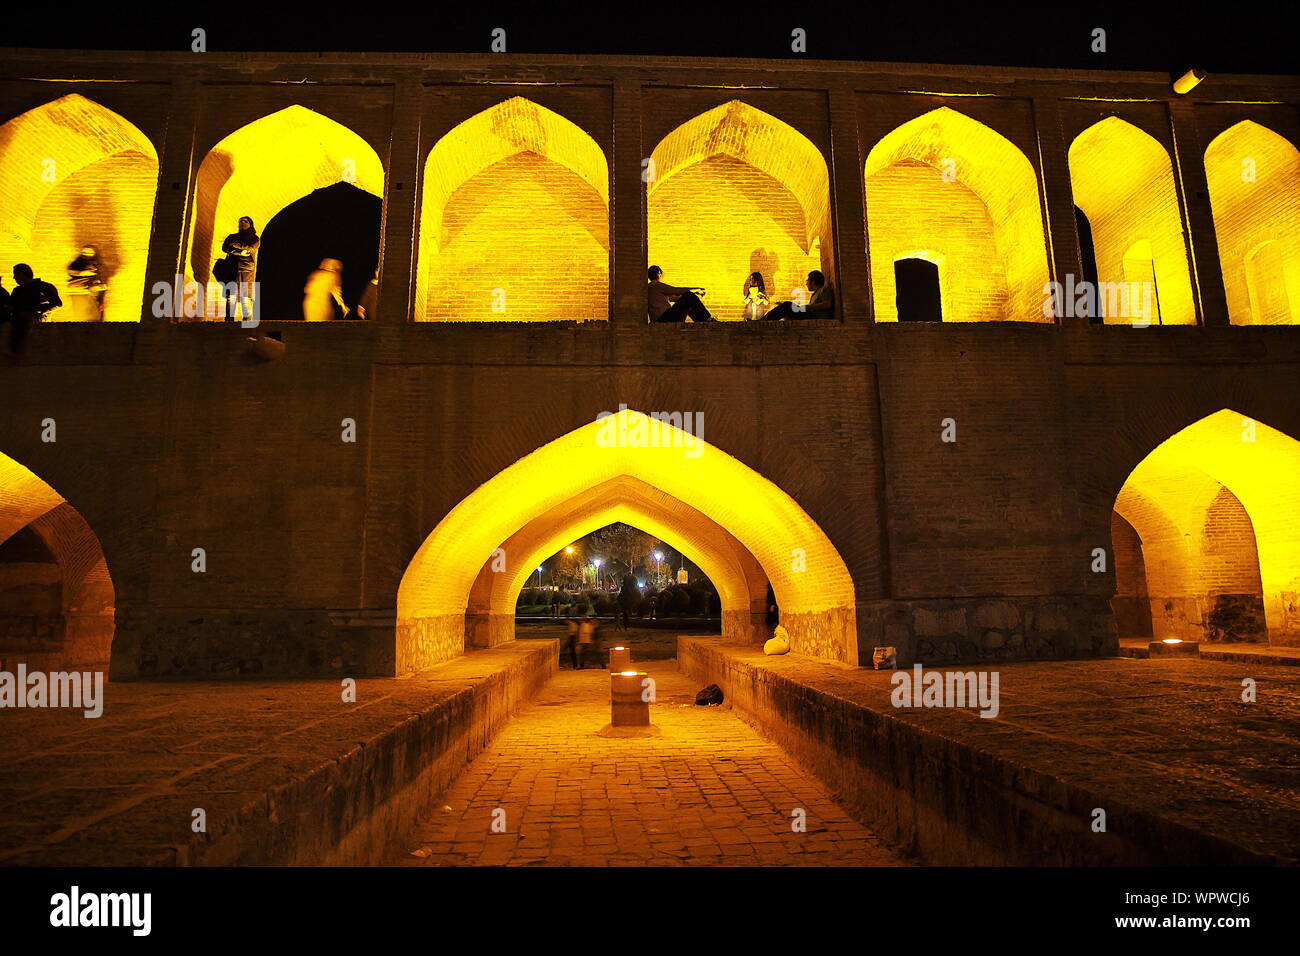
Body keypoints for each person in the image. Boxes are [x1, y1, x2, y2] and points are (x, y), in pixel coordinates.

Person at [5, 264, 62, 355]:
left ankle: (16, 350)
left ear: (23, 274)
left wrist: (38, 310)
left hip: (36, 318)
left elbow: (57, 304)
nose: (14, 277)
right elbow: (11, 306)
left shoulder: (43, 287)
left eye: (16, 274)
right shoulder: (17, 290)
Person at [217, 216, 260, 322]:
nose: (243, 223)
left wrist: (236, 246)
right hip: (232, 268)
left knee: (245, 296)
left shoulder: (254, 238)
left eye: (245, 221)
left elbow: (250, 248)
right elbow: (225, 248)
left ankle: (247, 322)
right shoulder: (232, 237)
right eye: (240, 221)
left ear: (250, 224)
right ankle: (229, 320)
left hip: (246, 270)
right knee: (231, 295)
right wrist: (240, 252)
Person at [646, 266, 716, 323]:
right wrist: (696, 290)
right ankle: (708, 319)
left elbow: (677, 298)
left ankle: (702, 321)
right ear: (659, 273)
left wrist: (694, 297)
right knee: (689, 296)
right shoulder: (655, 285)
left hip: (662, 318)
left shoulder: (651, 289)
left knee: (689, 299)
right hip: (664, 319)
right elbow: (676, 290)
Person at [760, 270, 834, 321]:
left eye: (807, 280)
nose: (806, 283)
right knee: (786, 307)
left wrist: (808, 307)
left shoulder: (824, 289)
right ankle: (765, 319)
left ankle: (764, 320)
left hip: (813, 316)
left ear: (813, 282)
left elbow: (827, 304)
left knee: (787, 305)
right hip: (809, 314)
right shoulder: (815, 294)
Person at [66, 245, 107, 321]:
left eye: (90, 252)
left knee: (95, 314)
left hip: (95, 293)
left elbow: (102, 280)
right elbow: (70, 271)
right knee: (82, 315)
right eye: (85, 252)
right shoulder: (77, 262)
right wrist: (81, 273)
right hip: (80, 293)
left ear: (95, 253)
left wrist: (101, 298)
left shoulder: (99, 265)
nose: (87, 254)